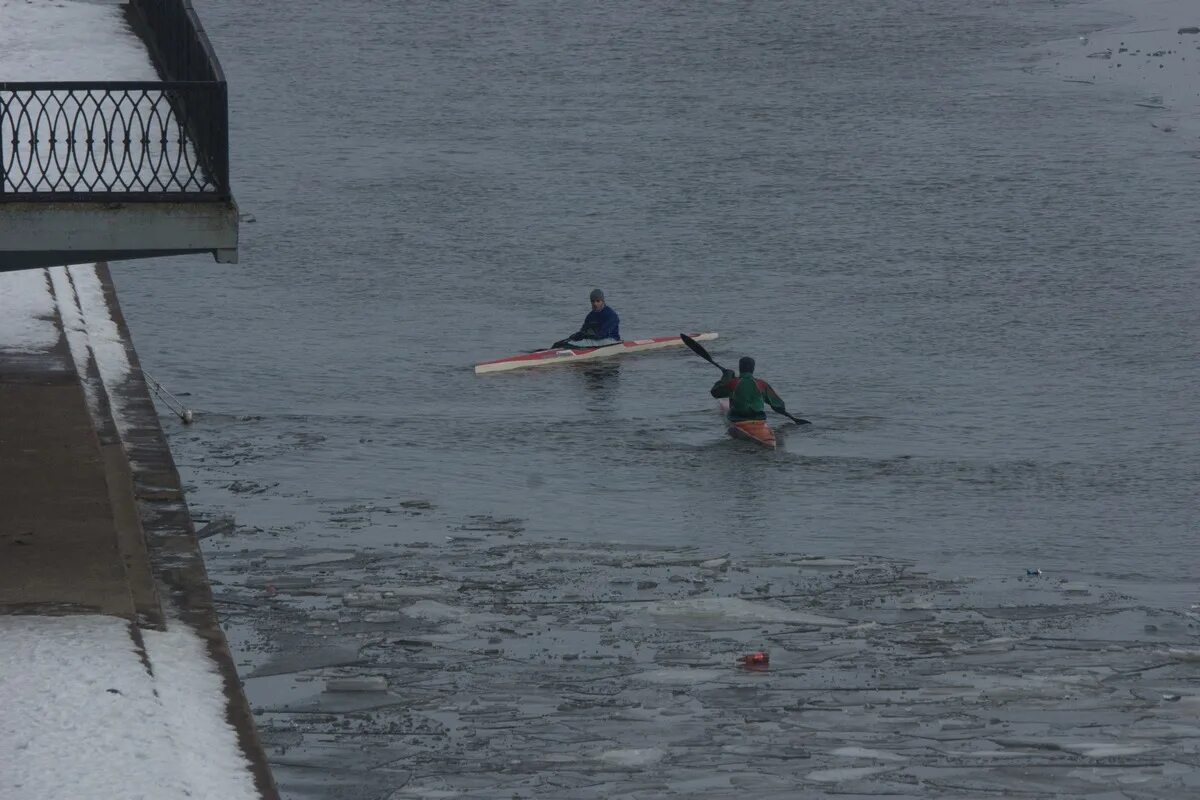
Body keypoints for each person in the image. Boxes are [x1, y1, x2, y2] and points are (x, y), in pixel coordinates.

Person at [710, 356, 788, 422]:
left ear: (740, 368)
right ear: (753, 369)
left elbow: (715, 392)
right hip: (759, 418)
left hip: (737, 418)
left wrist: (726, 376)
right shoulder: (762, 384)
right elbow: (778, 404)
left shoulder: (733, 383)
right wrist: (783, 412)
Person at [552, 289, 621, 349]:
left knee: (570, 345)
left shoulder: (611, 315)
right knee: (559, 344)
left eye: (598, 301)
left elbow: (602, 334)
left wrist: (586, 335)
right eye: (593, 301)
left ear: (603, 301)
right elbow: (584, 331)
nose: (595, 304)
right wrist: (575, 336)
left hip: (610, 340)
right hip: (595, 340)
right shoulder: (590, 315)